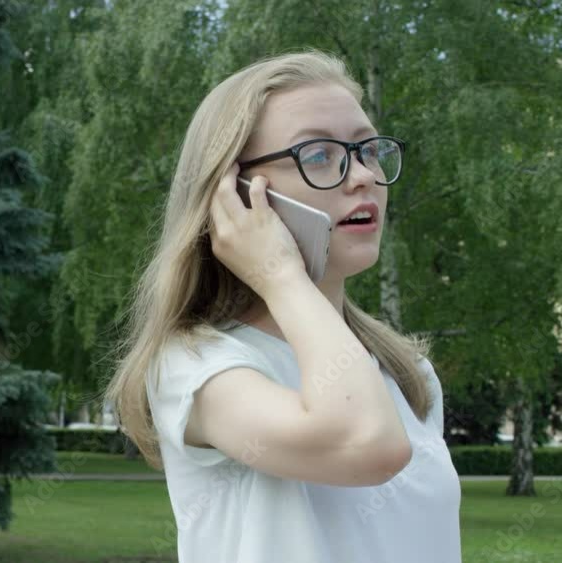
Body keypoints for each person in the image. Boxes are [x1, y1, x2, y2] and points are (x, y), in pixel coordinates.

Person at [103, 49, 462, 563]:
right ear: (234, 193)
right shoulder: (196, 368)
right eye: (319, 154)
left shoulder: (410, 374)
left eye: (368, 150)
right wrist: (280, 275)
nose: (362, 176)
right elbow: (368, 446)